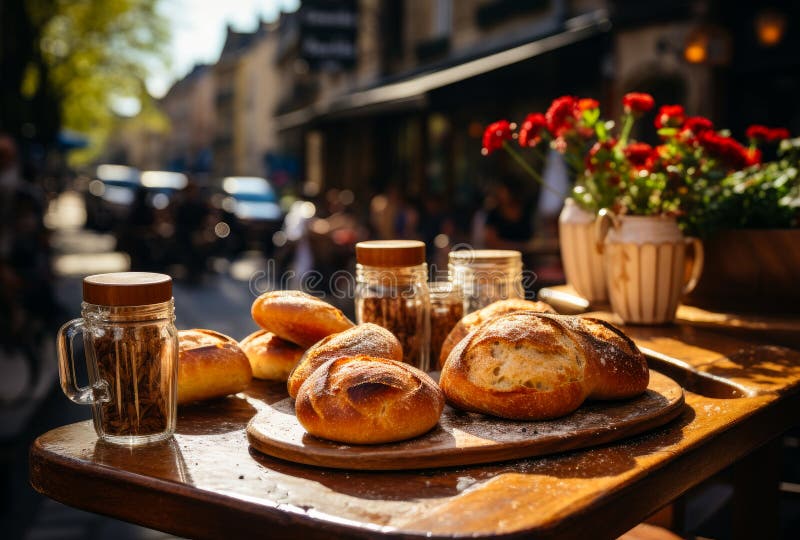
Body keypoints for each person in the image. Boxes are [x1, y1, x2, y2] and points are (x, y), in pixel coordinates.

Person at [483, 179, 534, 251]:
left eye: (503, 190)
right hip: (501, 256)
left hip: (526, 256)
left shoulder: (525, 211)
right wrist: (519, 247)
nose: (499, 193)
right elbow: (490, 241)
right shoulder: (494, 213)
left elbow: (532, 239)